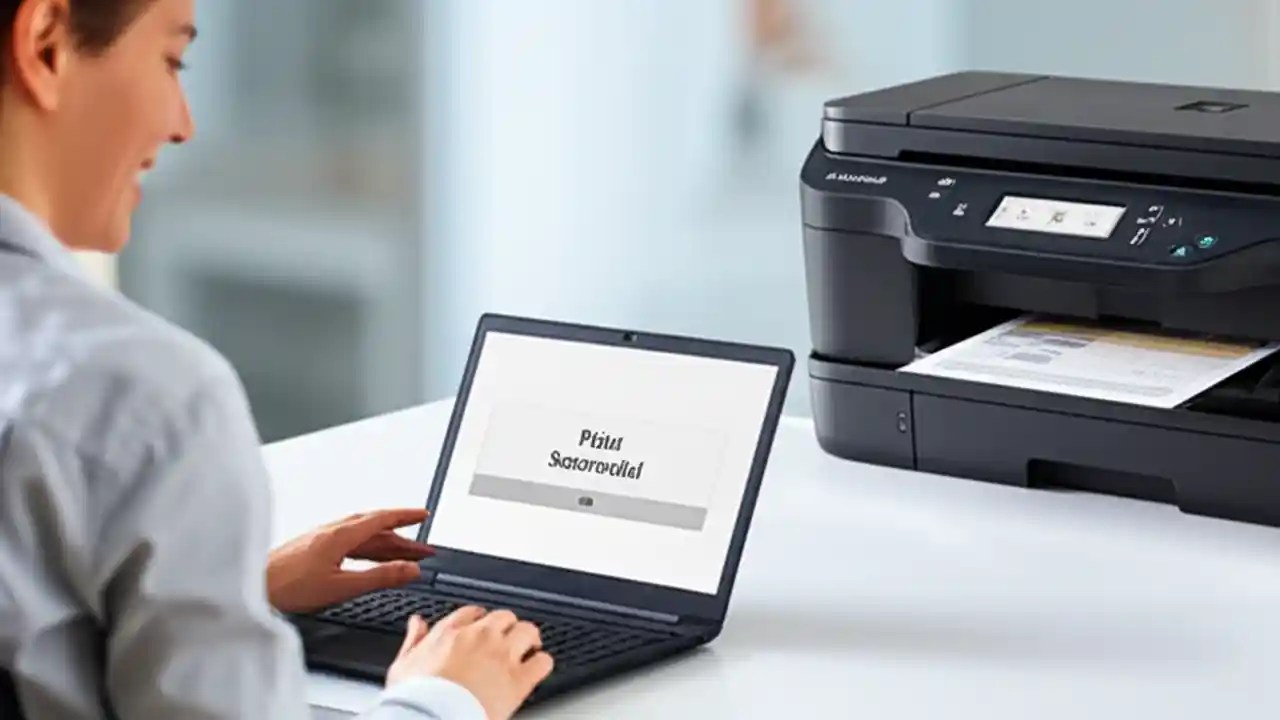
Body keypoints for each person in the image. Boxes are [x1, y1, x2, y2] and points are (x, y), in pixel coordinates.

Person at [0, 1, 553, 718]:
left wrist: (218, 586)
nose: (182, 122)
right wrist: (445, 697)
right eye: (172, 61)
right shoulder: (143, 395)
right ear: (45, 45)